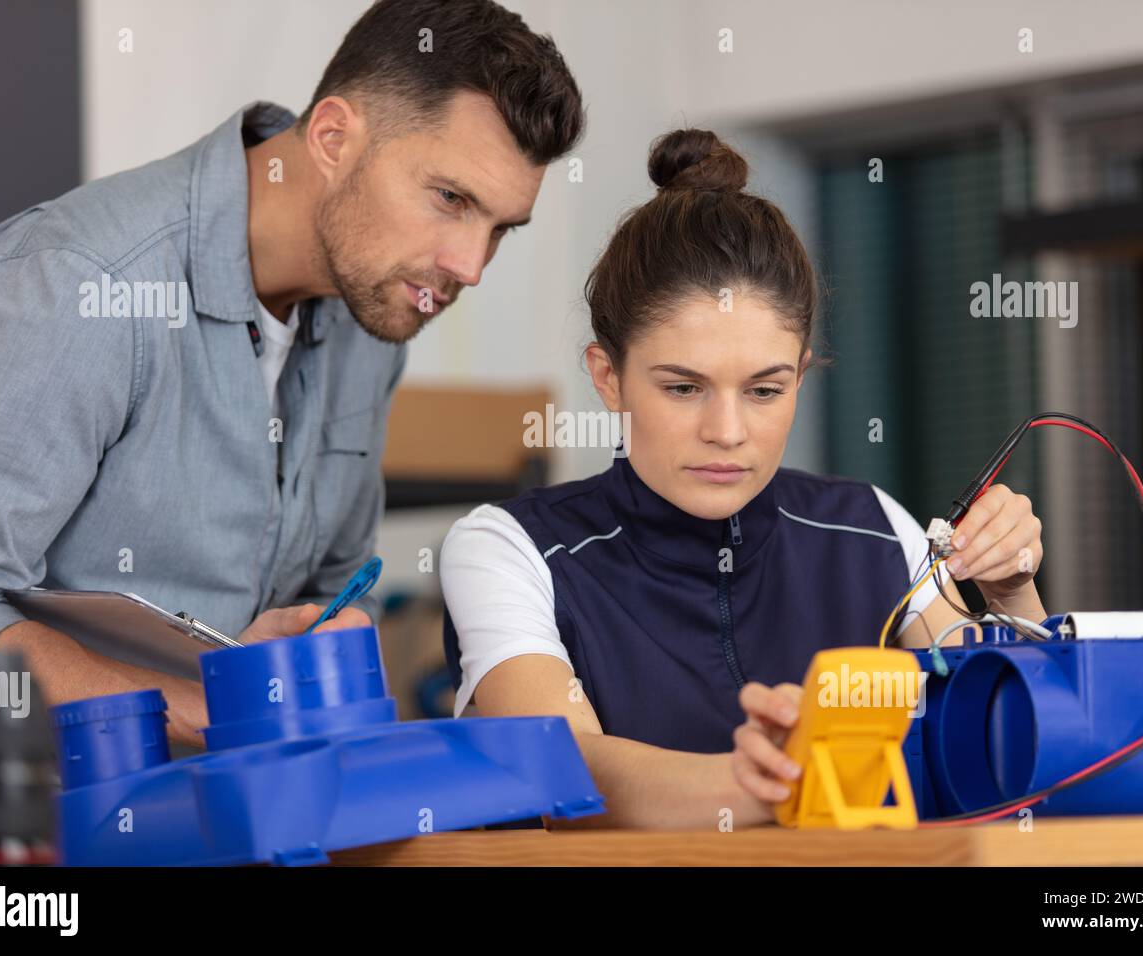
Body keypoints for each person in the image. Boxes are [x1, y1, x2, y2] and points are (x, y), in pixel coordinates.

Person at [0, 0, 584, 748]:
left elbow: (323, 593)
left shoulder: (373, 308)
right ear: (333, 138)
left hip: (254, 811)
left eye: (499, 227)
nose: (468, 265)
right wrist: (213, 710)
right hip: (52, 821)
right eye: (450, 199)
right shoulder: (80, 278)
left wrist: (296, 646)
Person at [439, 129, 1047, 828]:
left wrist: (1013, 594)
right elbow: (561, 771)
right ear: (609, 377)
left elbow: (1007, 749)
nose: (727, 432)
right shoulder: (507, 546)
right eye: (684, 388)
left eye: (764, 390)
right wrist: (779, 782)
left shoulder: (871, 526)